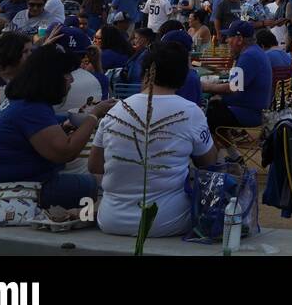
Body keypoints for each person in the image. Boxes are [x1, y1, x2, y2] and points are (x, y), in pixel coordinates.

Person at [89, 41, 217, 236]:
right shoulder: (190, 112)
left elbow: (95, 165)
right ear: (182, 78)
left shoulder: (115, 109)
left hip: (111, 219)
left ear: (145, 73)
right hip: (166, 221)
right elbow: (210, 163)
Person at [0, 45, 114, 210]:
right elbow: (65, 152)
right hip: (9, 195)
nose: (71, 79)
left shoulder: (21, 101)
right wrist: (94, 115)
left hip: (0, 189)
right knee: (104, 184)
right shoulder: (31, 108)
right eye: (67, 74)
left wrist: (63, 128)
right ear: (51, 77)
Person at [202, 21, 272, 134]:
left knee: (207, 116)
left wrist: (206, 87)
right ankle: (229, 151)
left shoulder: (248, 56)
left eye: (229, 37)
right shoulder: (254, 51)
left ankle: (216, 151)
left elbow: (232, 87)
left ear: (239, 39)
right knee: (214, 106)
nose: (226, 40)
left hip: (249, 114)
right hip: (253, 110)